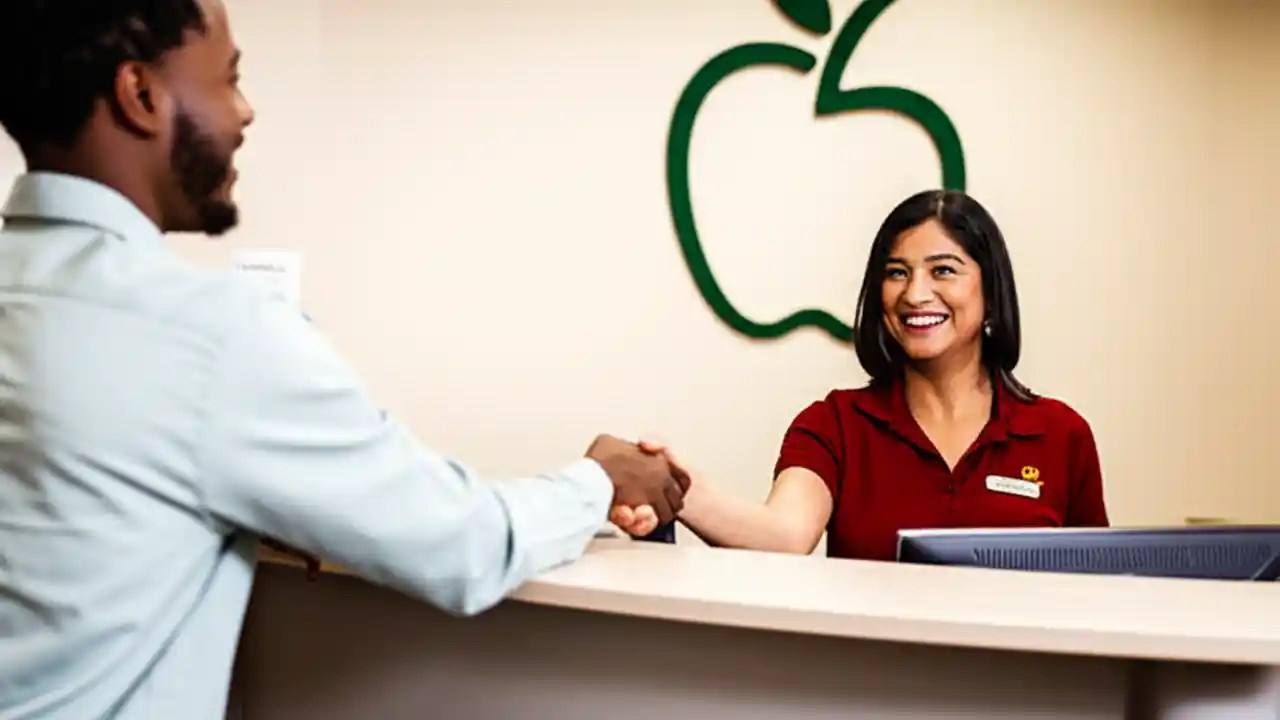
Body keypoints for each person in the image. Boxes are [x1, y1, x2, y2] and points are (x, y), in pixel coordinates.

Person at [0, 2, 687, 719]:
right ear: (140, 96)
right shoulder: (211, 335)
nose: (245, 112)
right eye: (229, 79)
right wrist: (598, 481)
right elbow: (463, 543)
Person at [613, 190, 1109, 558]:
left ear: (991, 293)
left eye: (943, 270)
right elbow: (785, 534)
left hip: (1025, 693)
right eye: (896, 272)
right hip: (863, 689)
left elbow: (1097, 589)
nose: (915, 294)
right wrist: (677, 488)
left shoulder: (1062, 435)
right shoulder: (835, 424)